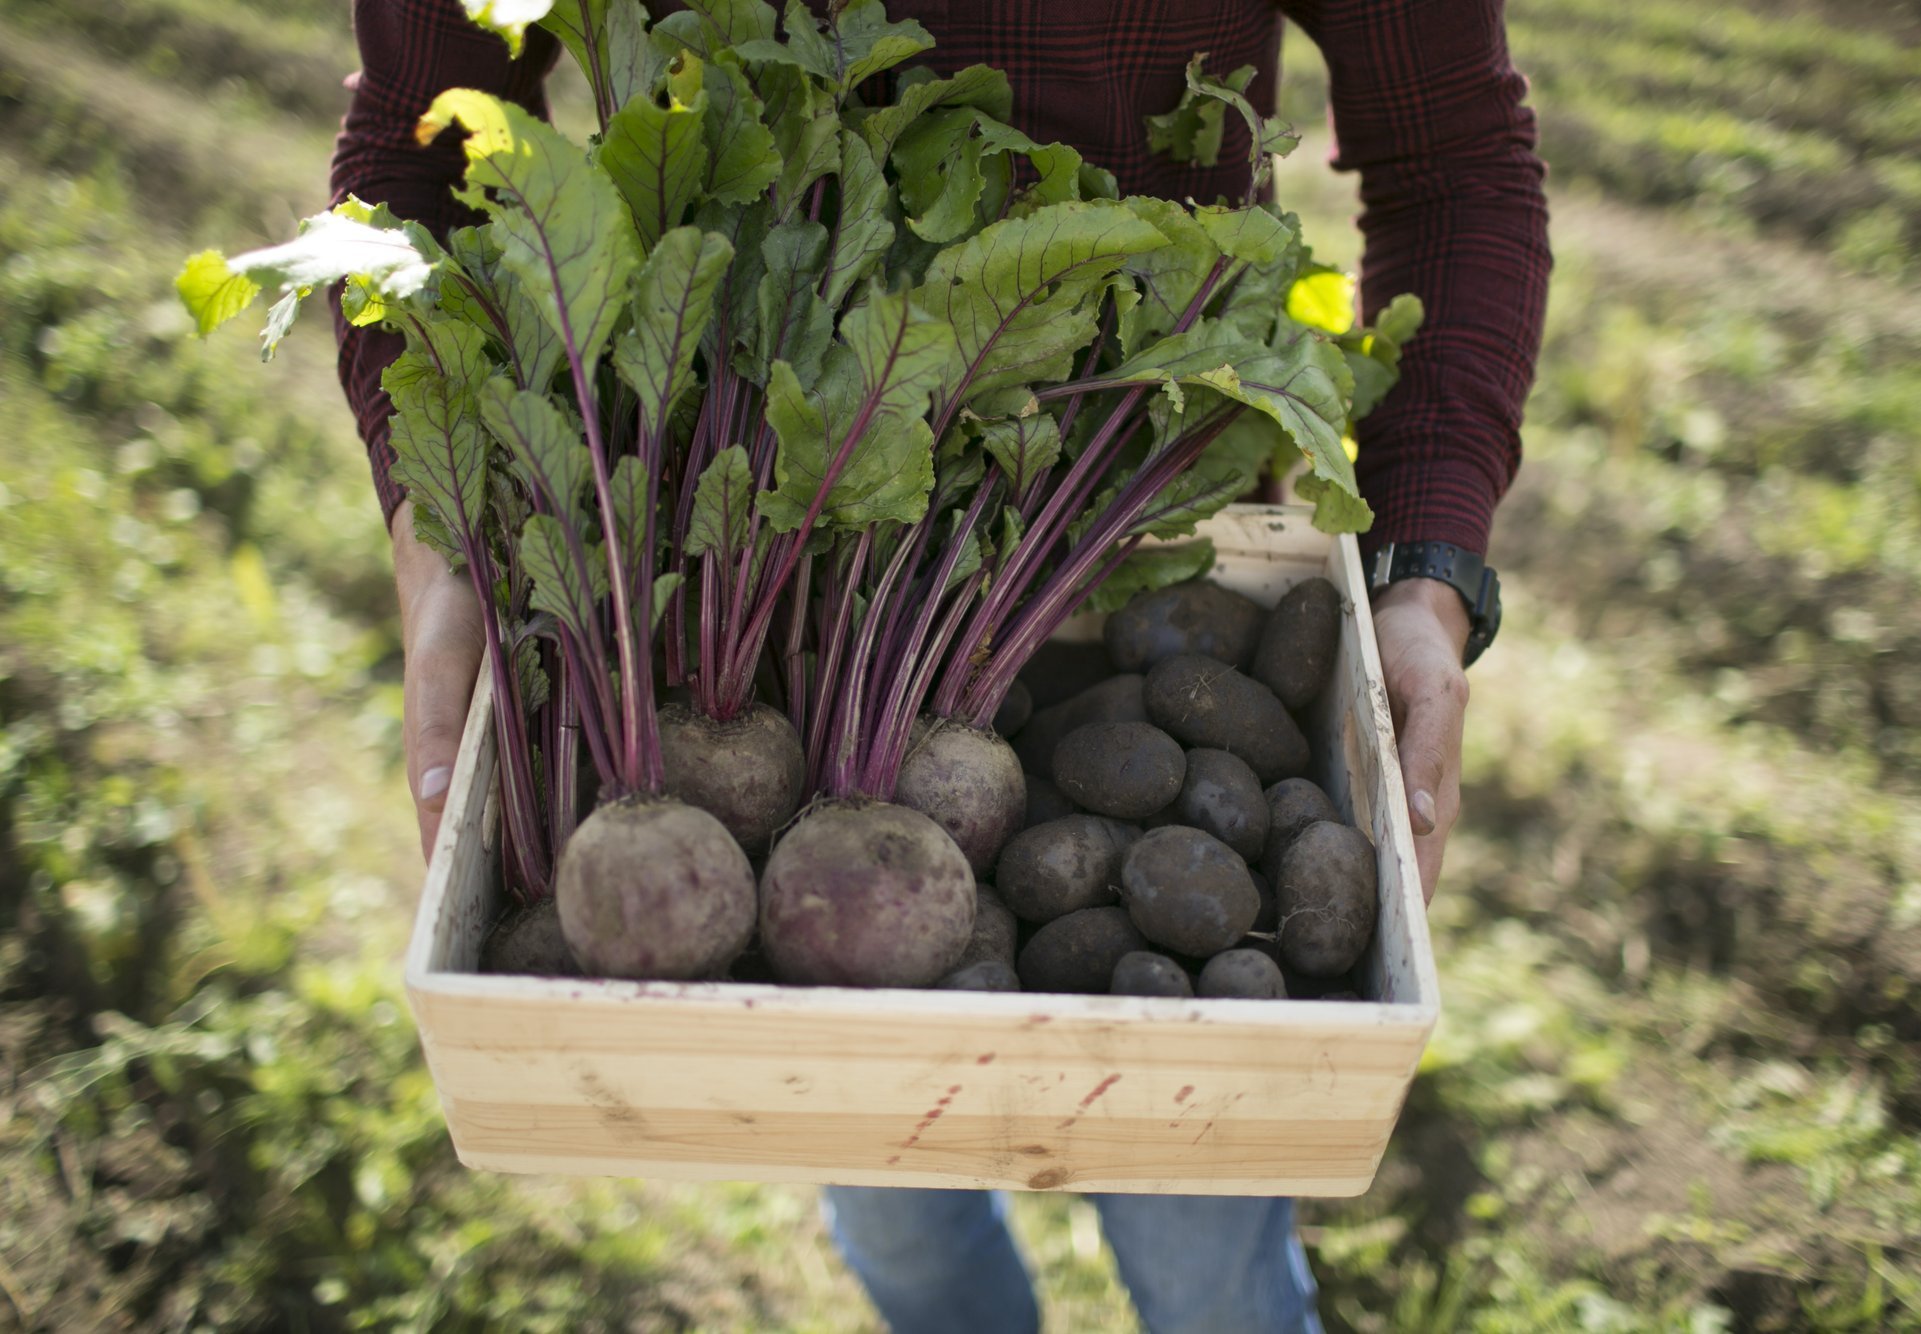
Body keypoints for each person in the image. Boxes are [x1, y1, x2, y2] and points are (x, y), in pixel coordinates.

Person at [332, 3, 1549, 1329]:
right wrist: (438, 550)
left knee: (1204, 1248)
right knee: (893, 1212)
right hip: (771, 629)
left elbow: (1457, 161)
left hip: (1123, 517)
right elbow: (413, 150)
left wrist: (1427, 577)